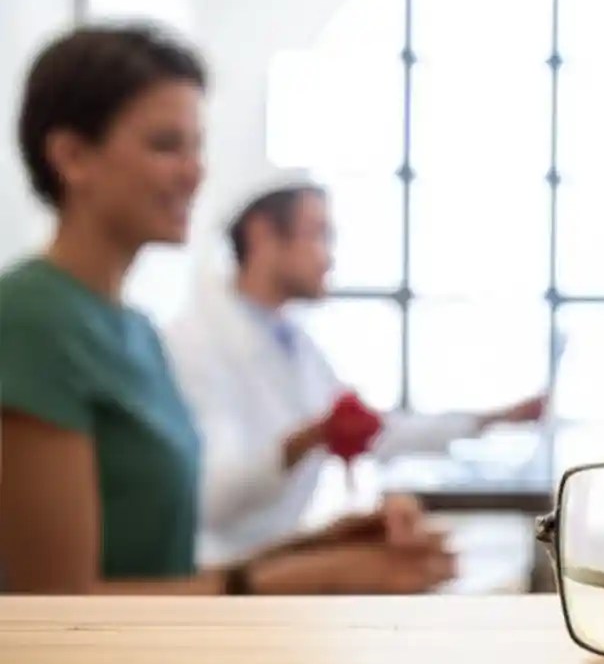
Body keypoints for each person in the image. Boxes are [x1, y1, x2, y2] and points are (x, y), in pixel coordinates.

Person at [0, 23, 453, 595]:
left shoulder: (134, 330)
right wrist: (309, 578)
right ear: (71, 156)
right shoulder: (33, 320)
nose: (195, 171)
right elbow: (57, 611)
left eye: (197, 146)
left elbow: (161, 573)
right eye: (167, 145)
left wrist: (327, 545)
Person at [164, 174, 546, 566]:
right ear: (262, 235)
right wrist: (303, 442)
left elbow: (377, 433)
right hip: (217, 570)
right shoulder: (195, 343)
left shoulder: (296, 345)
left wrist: (494, 419)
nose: (328, 257)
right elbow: (210, 498)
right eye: (318, 235)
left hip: (275, 560)